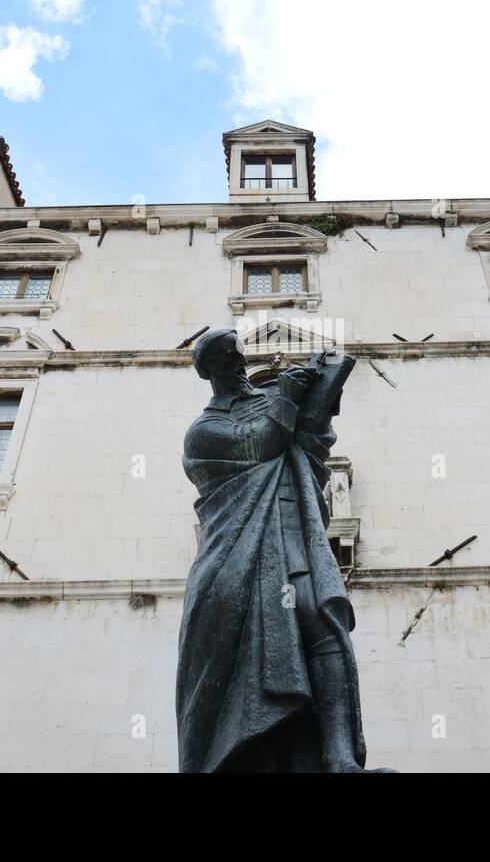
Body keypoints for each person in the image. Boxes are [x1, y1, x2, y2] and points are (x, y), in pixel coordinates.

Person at [176, 328, 383, 772]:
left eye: (239, 354)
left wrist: (319, 400)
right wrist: (287, 399)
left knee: (322, 623)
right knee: (273, 633)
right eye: (228, 358)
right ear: (209, 370)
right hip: (238, 552)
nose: (239, 363)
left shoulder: (267, 399)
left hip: (295, 529)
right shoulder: (204, 432)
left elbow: (310, 441)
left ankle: (340, 757)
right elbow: (262, 443)